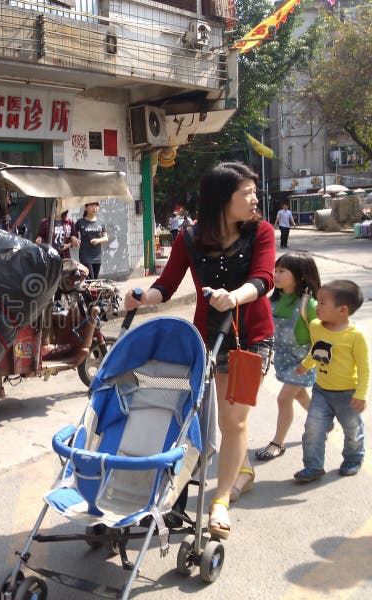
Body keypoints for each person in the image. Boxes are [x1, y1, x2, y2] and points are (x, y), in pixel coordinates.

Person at [125, 162, 275, 540]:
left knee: (233, 421)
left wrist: (234, 296)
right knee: (195, 418)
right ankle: (236, 468)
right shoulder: (189, 239)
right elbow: (166, 286)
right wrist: (140, 298)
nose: (255, 199)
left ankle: (220, 500)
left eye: (254, 192)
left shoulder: (262, 232)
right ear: (223, 199)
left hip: (249, 340)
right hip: (205, 340)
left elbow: (263, 279)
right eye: (248, 193)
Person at [293, 280, 368, 482]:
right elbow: (316, 350)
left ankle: (353, 458)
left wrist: (361, 395)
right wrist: (305, 365)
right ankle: (313, 466)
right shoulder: (316, 326)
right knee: (313, 428)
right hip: (321, 391)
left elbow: (364, 367)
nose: (317, 306)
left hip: (348, 394)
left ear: (342, 310)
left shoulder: (355, 336)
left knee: (352, 430)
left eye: (323, 302)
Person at [255, 252, 321, 461]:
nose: (276, 274)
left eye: (283, 271)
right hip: (282, 359)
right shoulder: (272, 300)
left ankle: (277, 443)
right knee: (298, 395)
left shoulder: (308, 304)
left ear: (300, 276)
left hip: (304, 361)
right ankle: (323, 422)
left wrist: (309, 363)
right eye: (276, 270)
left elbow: (322, 339)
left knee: (284, 398)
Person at [75, 202, 109, 279]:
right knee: (90, 279)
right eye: (92, 206)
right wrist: (75, 239)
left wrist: (98, 240)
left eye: (96, 206)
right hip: (85, 255)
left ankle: (90, 291)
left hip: (97, 255)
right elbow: (73, 234)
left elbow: (106, 238)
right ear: (86, 208)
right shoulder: (80, 222)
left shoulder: (100, 221)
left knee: (95, 279)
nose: (94, 208)